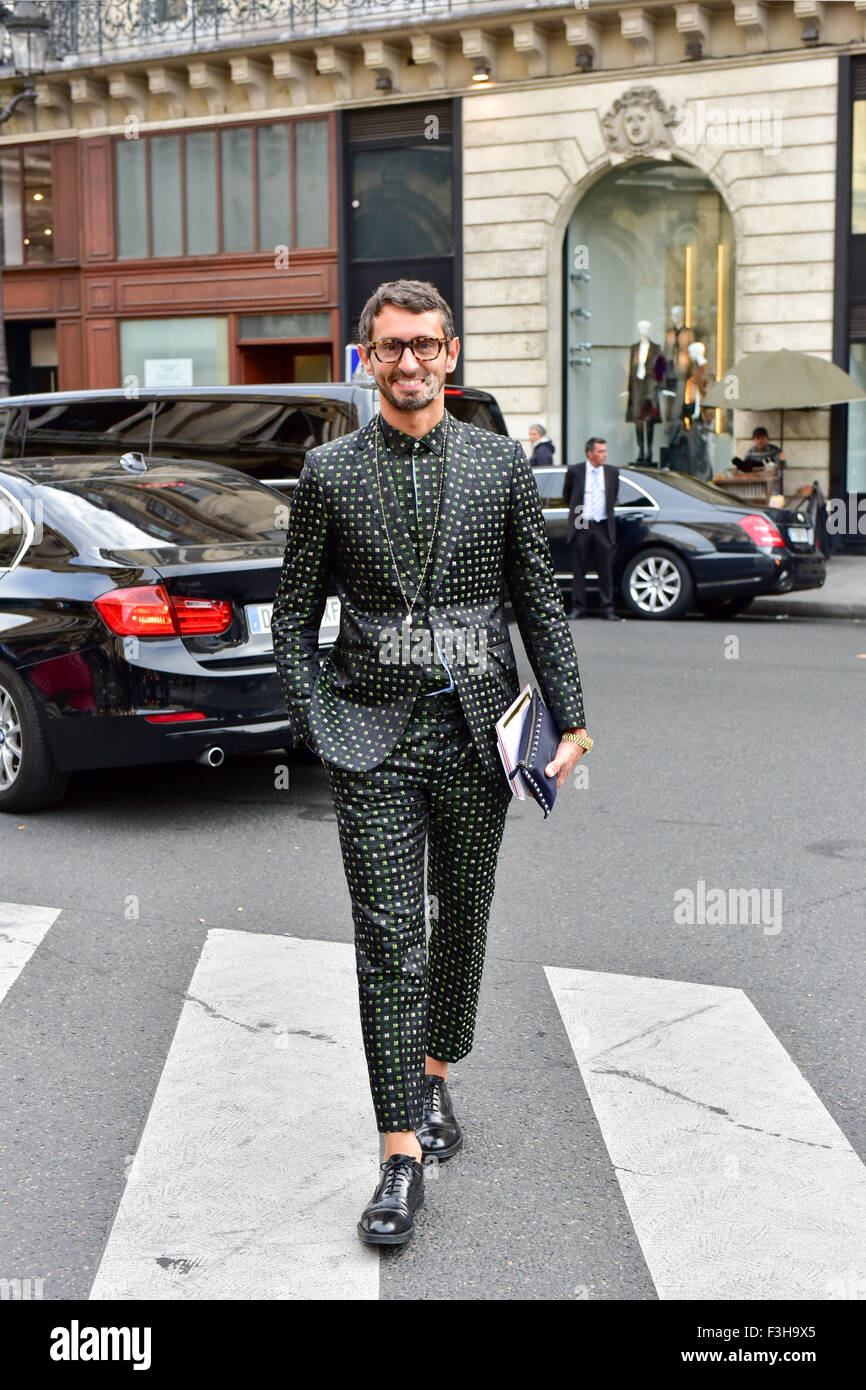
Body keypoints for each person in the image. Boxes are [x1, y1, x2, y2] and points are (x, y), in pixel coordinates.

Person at [270, 278, 591, 1248]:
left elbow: (538, 603)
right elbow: (291, 616)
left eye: (423, 345)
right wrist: (317, 717)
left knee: (459, 917)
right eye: (388, 348)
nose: (406, 362)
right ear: (366, 359)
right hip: (368, 735)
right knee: (385, 936)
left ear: (450, 352)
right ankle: (399, 1150)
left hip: (477, 732)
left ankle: (438, 1071)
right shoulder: (327, 472)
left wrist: (570, 721)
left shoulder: (497, 466)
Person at [562, 436, 621, 621]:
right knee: (579, 570)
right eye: (600, 451)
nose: (605, 455)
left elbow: (614, 496)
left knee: (605, 569)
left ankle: (607, 607)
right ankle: (579, 607)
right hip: (582, 523)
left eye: (605, 451)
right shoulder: (576, 471)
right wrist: (578, 516)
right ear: (590, 453)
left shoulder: (612, 472)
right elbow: (568, 495)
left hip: (602, 524)